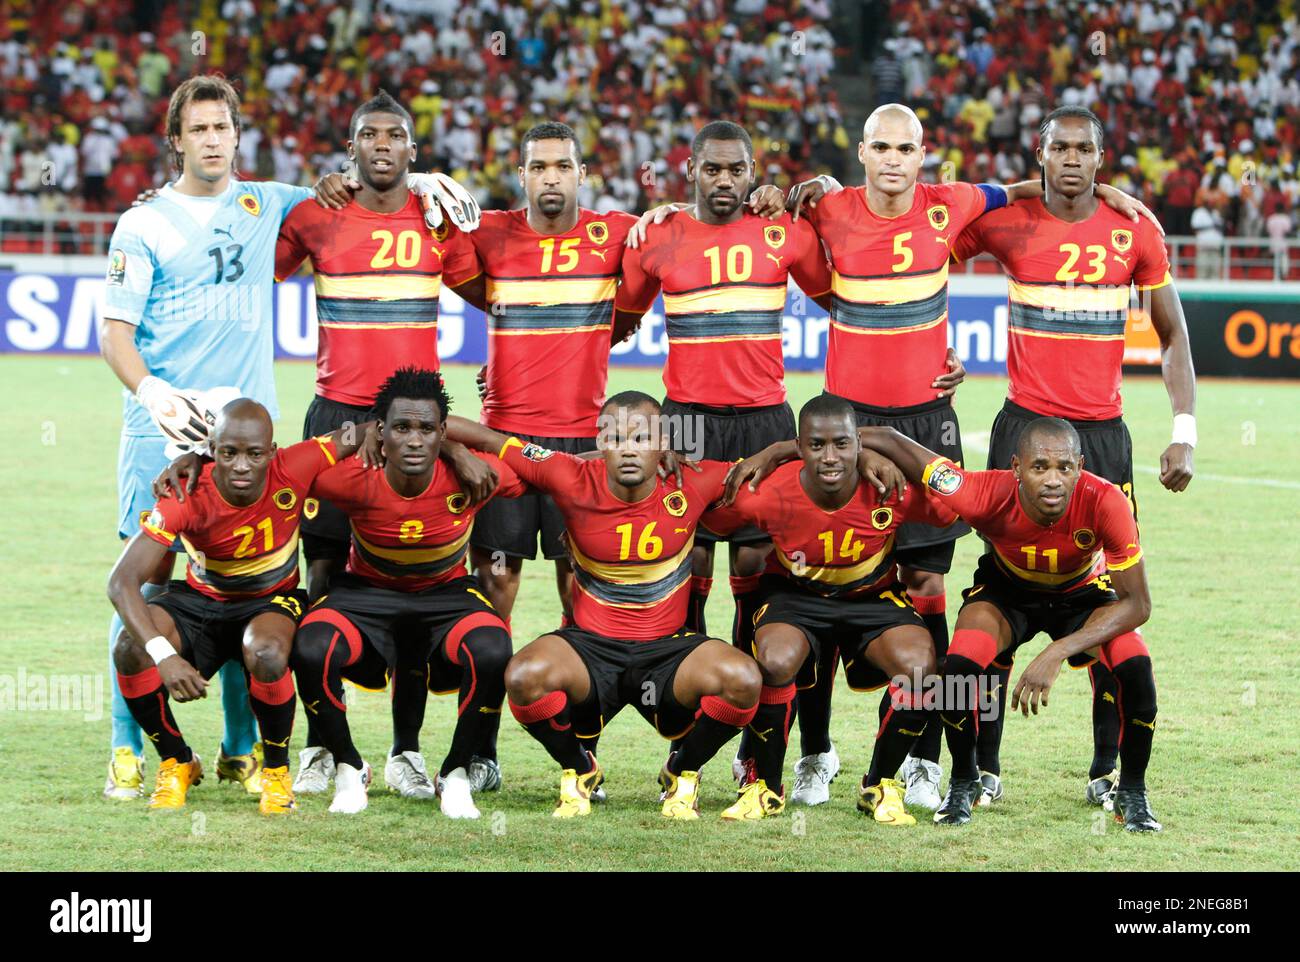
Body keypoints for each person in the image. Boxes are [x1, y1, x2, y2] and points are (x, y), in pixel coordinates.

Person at [777, 102, 1158, 810]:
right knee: (821, 585)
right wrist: (795, 188)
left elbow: (1026, 190)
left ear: (925, 156)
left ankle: (926, 757)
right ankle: (815, 753)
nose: (893, 159)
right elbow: (802, 261)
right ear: (862, 152)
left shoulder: (950, 203)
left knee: (925, 586)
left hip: (928, 424)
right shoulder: (825, 213)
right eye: (881, 147)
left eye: (907, 148)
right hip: (849, 425)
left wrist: (1100, 190)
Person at [951, 105, 1195, 809]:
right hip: (1021, 429)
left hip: (1103, 435)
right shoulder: (1006, 221)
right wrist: (941, 348)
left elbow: (1173, 335)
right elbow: (924, 250)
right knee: (999, 582)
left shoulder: (1134, 229)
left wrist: (1185, 428)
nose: (1071, 159)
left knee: (1112, 592)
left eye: (1084, 149)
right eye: (1059, 148)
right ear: (1039, 151)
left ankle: (1106, 774)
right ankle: (982, 769)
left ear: (1100, 156)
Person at [100, 74, 335, 801]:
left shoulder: (267, 202)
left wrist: (416, 172)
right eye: (196, 129)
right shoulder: (142, 224)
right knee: (150, 590)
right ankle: (129, 747)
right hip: (160, 435)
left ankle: (238, 749)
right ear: (175, 138)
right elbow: (114, 334)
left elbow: (354, 187)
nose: (211, 140)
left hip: (243, 445)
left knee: (240, 585)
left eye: (221, 128)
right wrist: (152, 392)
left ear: (238, 135)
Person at [273, 89, 499, 799]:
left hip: (414, 425)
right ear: (350, 149)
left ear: (411, 150)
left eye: (394, 135)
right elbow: (254, 270)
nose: (380, 145)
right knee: (322, 575)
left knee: (412, 579)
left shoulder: (435, 222)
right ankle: (323, 746)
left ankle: (405, 752)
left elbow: (497, 292)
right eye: (367, 134)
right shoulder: (316, 215)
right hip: (337, 419)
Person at [615, 121, 833, 782]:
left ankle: (760, 742)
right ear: (691, 171)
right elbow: (619, 321)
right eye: (712, 170)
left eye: (736, 169)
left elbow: (846, 303)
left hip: (766, 423)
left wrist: (817, 190)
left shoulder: (783, 232)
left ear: (751, 171)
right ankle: (693, 731)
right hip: (684, 425)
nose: (725, 181)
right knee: (685, 578)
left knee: (764, 583)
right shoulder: (656, 236)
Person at [444, 393, 764, 819]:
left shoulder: (695, 479)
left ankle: (681, 770)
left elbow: (780, 475)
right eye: (615, 438)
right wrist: (444, 446)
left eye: (641, 438)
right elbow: (481, 435)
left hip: (667, 651)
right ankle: (580, 769)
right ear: (600, 441)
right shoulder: (568, 473)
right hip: (589, 650)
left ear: (664, 442)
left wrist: (781, 447)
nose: (628, 447)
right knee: (523, 676)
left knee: (743, 679)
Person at [854, 420, 1161, 832]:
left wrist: (1056, 652)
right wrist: (852, 451)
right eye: (1039, 467)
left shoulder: (1105, 500)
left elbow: (1138, 605)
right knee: (958, 668)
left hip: (1082, 597)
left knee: (1135, 664)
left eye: (1065, 468)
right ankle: (964, 780)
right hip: (1006, 593)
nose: (1053, 480)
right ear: (1016, 467)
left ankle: (1133, 792)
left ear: (1080, 466)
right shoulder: (981, 491)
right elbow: (892, 440)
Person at [107, 399, 370, 813]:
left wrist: (459, 446)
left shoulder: (297, 464)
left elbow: (368, 431)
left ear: (272, 451)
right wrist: (165, 658)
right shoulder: (185, 492)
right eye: (229, 453)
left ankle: (276, 773)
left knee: (265, 651)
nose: (242, 465)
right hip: (203, 599)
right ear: (213, 448)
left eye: (254, 453)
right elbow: (121, 582)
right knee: (130, 648)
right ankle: (177, 760)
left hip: (270, 601)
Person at [700, 395, 950, 824]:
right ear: (799, 446)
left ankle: (880, 784)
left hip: (872, 599)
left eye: (842, 444)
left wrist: (884, 444)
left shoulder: (891, 486)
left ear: (858, 445)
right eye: (816, 446)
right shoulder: (767, 491)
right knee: (775, 660)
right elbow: (704, 511)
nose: (830, 457)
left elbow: (952, 498)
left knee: (920, 666)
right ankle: (765, 788)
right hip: (795, 598)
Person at [289, 368, 523, 817]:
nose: (414, 440)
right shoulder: (348, 476)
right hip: (366, 591)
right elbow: (276, 466)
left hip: (445, 592)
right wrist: (195, 462)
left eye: (426, 430)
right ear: (380, 432)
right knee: (312, 645)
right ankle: (347, 767)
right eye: (400, 428)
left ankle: (454, 775)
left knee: (493, 648)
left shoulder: (476, 474)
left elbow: (555, 473)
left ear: (442, 432)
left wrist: (643, 454)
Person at [454, 122, 643, 646]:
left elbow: (675, 233)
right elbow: (432, 241)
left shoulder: (619, 232)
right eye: (538, 167)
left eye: (563, 166)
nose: (551, 177)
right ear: (521, 176)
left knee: (580, 585)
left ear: (583, 173)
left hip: (582, 444)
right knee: (495, 581)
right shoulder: (488, 231)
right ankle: (485, 703)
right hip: (504, 441)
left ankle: (576, 705)